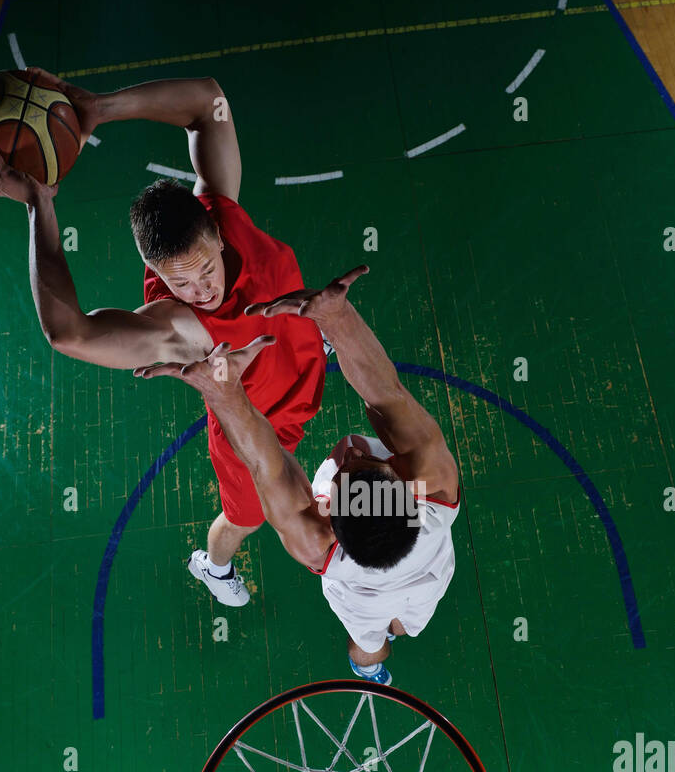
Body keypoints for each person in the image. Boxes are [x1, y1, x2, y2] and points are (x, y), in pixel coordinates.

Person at [0, 70, 325, 607]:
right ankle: (214, 565)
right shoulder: (178, 328)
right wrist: (39, 206)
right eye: (181, 282)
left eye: (206, 271)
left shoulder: (224, 208)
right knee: (245, 520)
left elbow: (209, 103)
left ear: (216, 231)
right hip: (255, 432)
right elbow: (68, 332)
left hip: (300, 362)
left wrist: (98, 109)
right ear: (157, 272)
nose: (201, 290)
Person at [135, 267, 460, 684]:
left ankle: (370, 664)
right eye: (360, 464)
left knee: (368, 636)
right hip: (430, 577)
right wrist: (336, 317)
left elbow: (265, 463)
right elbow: (386, 392)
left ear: (329, 518)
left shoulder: (317, 545)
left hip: (363, 600)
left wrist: (226, 392)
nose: (353, 453)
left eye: (346, 471)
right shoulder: (435, 487)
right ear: (402, 489)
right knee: (407, 620)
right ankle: (393, 634)